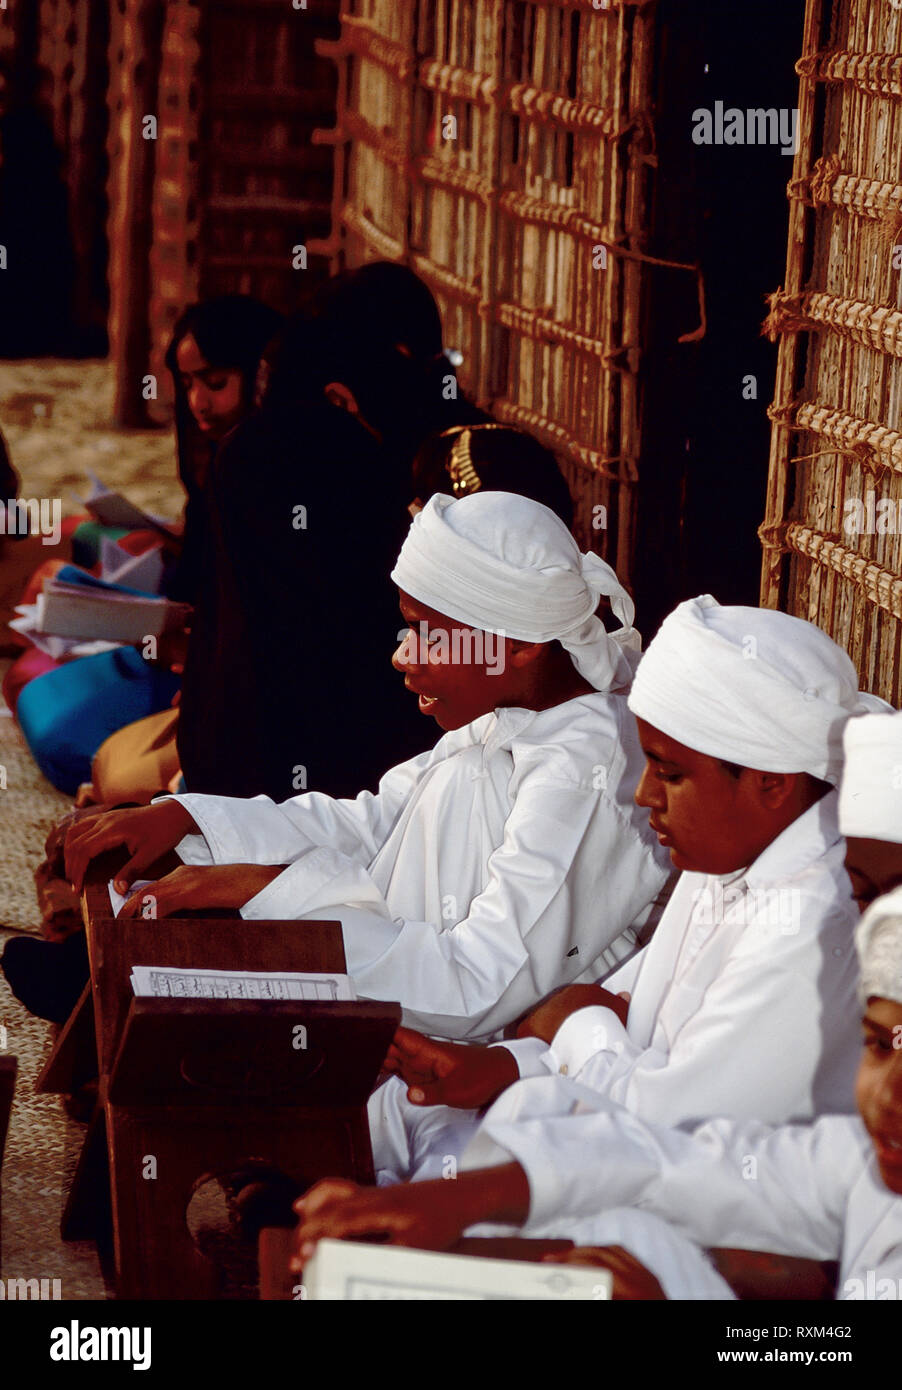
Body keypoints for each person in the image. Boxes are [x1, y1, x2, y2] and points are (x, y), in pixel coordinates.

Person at [295, 596, 886, 1192]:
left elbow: (661, 1129)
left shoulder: (806, 920)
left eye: (669, 773)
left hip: (690, 1205)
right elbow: (618, 1020)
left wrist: (580, 1024)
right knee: (410, 1110)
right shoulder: (732, 855)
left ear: (771, 785)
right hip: (612, 1131)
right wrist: (504, 1064)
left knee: (441, 1186)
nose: (645, 795)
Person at [65, 491, 672, 1042]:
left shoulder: (586, 772)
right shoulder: (511, 716)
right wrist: (188, 819)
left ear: (517, 645)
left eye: (426, 634)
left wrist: (272, 891)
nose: (403, 656)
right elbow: (372, 823)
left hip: (469, 1059)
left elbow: (475, 987)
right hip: (406, 1002)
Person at [291, 885, 902, 1302]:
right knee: (599, 1213)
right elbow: (663, 1161)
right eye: (879, 1047)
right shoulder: (860, 1159)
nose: (890, 1094)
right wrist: (459, 1200)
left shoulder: (799, 921)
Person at [175, 263, 491, 803]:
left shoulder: (461, 473)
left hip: (301, 787)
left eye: (215, 381)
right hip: (311, 784)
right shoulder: (304, 459)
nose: (197, 403)